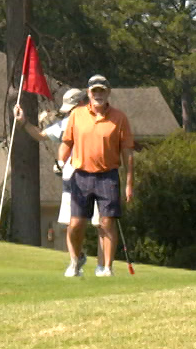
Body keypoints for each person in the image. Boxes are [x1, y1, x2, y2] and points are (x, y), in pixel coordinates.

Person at [57, 76, 135, 277]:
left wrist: (129, 183)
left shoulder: (119, 118)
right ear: (89, 93)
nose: (98, 94)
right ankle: (75, 261)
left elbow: (127, 153)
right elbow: (67, 143)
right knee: (76, 223)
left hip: (108, 176)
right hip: (81, 176)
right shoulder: (77, 115)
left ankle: (106, 267)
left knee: (107, 222)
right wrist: (60, 161)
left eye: (102, 91)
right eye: (94, 91)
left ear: (108, 92)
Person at [16, 87, 95, 261]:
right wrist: (24, 122)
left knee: (102, 223)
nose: (70, 113)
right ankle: (75, 261)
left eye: (72, 109)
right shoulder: (67, 123)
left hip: (97, 176)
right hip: (72, 178)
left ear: (82, 103)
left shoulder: (97, 120)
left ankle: (104, 266)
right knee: (71, 223)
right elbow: (41, 135)